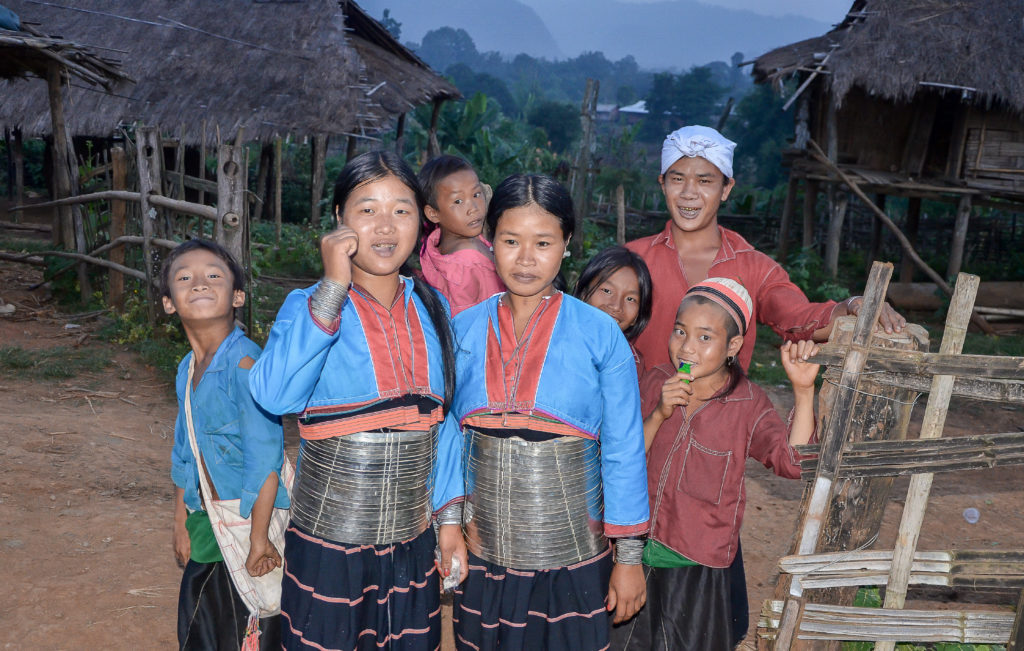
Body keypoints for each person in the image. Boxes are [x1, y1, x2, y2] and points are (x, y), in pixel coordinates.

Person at [248, 151, 467, 650]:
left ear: (423, 222)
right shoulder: (307, 307)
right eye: (367, 209)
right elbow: (272, 393)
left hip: (412, 544)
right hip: (329, 548)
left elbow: (444, 427)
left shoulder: (435, 311)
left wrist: (449, 523)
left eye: (401, 209)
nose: (385, 226)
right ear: (339, 223)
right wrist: (332, 288)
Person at [445, 174, 650, 650]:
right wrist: (449, 526)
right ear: (489, 239)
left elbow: (623, 449)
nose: (525, 258)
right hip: (486, 554)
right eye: (511, 241)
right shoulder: (461, 330)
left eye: (543, 242)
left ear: (567, 245)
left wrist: (630, 556)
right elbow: (449, 441)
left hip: (574, 560)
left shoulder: (601, 336)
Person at [610, 278, 821, 651]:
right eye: (680, 331)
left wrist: (804, 393)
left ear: (733, 346)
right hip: (631, 553)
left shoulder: (749, 405)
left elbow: (794, 463)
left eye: (705, 337)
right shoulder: (654, 381)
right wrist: (659, 413)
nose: (687, 347)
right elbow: (622, 460)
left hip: (697, 568)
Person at [626, 125, 906, 376]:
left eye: (705, 181)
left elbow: (797, 318)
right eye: (677, 179)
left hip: (718, 427)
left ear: (726, 189)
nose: (689, 192)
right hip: (636, 423)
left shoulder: (755, 268)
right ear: (663, 184)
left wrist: (854, 305)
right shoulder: (630, 261)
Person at [163, 238, 290, 650]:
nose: (199, 283)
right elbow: (186, 452)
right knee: (204, 628)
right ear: (169, 303)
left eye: (213, 275)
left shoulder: (245, 366)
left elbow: (265, 460)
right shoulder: (187, 370)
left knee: (234, 628)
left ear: (237, 296)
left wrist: (259, 540)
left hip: (245, 526)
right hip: (207, 524)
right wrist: (180, 519)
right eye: (185, 278)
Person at [417, 154, 505, 315]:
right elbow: (466, 328)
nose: (473, 208)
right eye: (458, 201)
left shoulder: (438, 240)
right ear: (433, 213)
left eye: (476, 195)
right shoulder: (466, 267)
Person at [573, 245, 654, 373]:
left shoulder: (632, 366)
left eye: (630, 299)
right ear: (583, 293)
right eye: (607, 291)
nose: (616, 306)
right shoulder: (552, 341)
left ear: (637, 316)